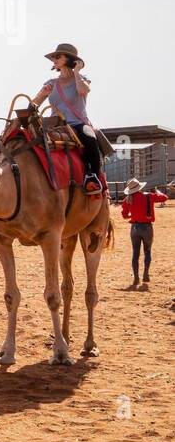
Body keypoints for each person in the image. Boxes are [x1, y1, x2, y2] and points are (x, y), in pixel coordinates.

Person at [30, 42, 104, 195]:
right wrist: (42, 94)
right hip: (54, 125)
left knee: (90, 139)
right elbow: (34, 105)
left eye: (58, 56)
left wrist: (77, 71)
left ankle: (92, 176)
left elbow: (83, 91)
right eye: (54, 57)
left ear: (70, 59)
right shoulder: (50, 83)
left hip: (77, 124)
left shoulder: (82, 79)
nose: (54, 60)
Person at [120, 177, 167, 290]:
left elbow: (125, 215)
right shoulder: (148, 196)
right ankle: (146, 274)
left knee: (135, 254)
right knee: (147, 252)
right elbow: (165, 198)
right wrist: (158, 192)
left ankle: (136, 278)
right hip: (147, 227)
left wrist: (134, 215)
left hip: (135, 228)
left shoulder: (127, 200)